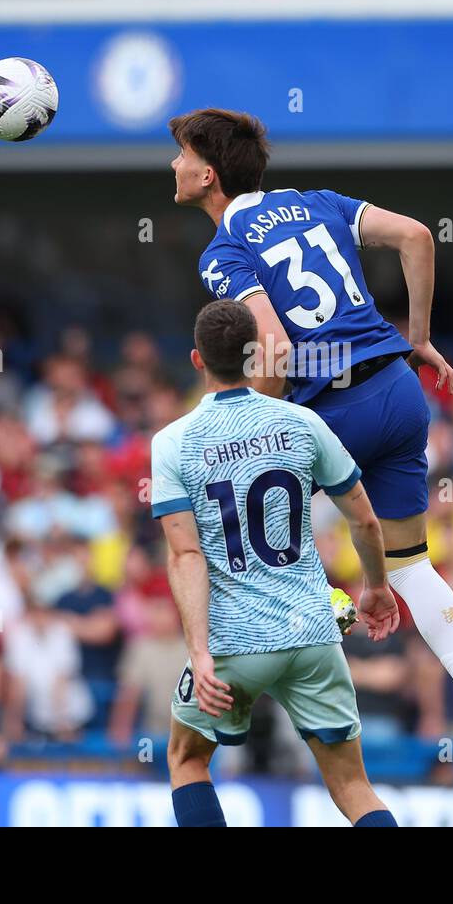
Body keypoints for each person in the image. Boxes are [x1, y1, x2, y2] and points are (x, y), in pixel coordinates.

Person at [168, 107, 453, 802]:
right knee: (411, 563)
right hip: (398, 388)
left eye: (179, 155)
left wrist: (261, 423)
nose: (171, 166)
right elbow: (416, 237)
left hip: (333, 404)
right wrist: (417, 337)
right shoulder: (316, 203)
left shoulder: (223, 251)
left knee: (238, 495)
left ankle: (327, 599)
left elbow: (271, 347)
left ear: (207, 175)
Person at [152, 299, 401, 827]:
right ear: (254, 355)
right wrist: (376, 587)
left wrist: (199, 652)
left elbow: (186, 554)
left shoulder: (173, 443)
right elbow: (366, 522)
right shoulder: (302, 423)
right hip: (312, 632)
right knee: (354, 787)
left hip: (234, 644)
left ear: (197, 359)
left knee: (186, 759)